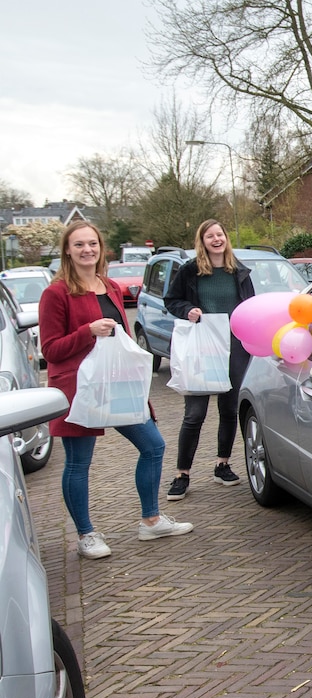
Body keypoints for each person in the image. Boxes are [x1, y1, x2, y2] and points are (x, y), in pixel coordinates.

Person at [39, 221, 194, 560]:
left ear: (100, 247)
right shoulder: (56, 293)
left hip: (117, 383)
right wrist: (87, 331)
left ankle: (151, 520)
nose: (86, 250)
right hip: (80, 388)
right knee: (79, 463)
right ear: (67, 250)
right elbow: (49, 350)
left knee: (153, 445)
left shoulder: (108, 286)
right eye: (78, 245)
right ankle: (86, 534)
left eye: (92, 243)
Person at [162, 219, 257, 500]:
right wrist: (188, 309)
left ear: (226, 238)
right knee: (194, 414)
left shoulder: (238, 271)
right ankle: (182, 474)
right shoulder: (190, 271)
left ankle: (222, 465)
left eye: (220, 235)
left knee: (229, 411)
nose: (216, 239)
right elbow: (172, 300)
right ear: (202, 241)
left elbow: (250, 307)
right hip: (202, 351)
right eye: (209, 236)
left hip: (234, 349)